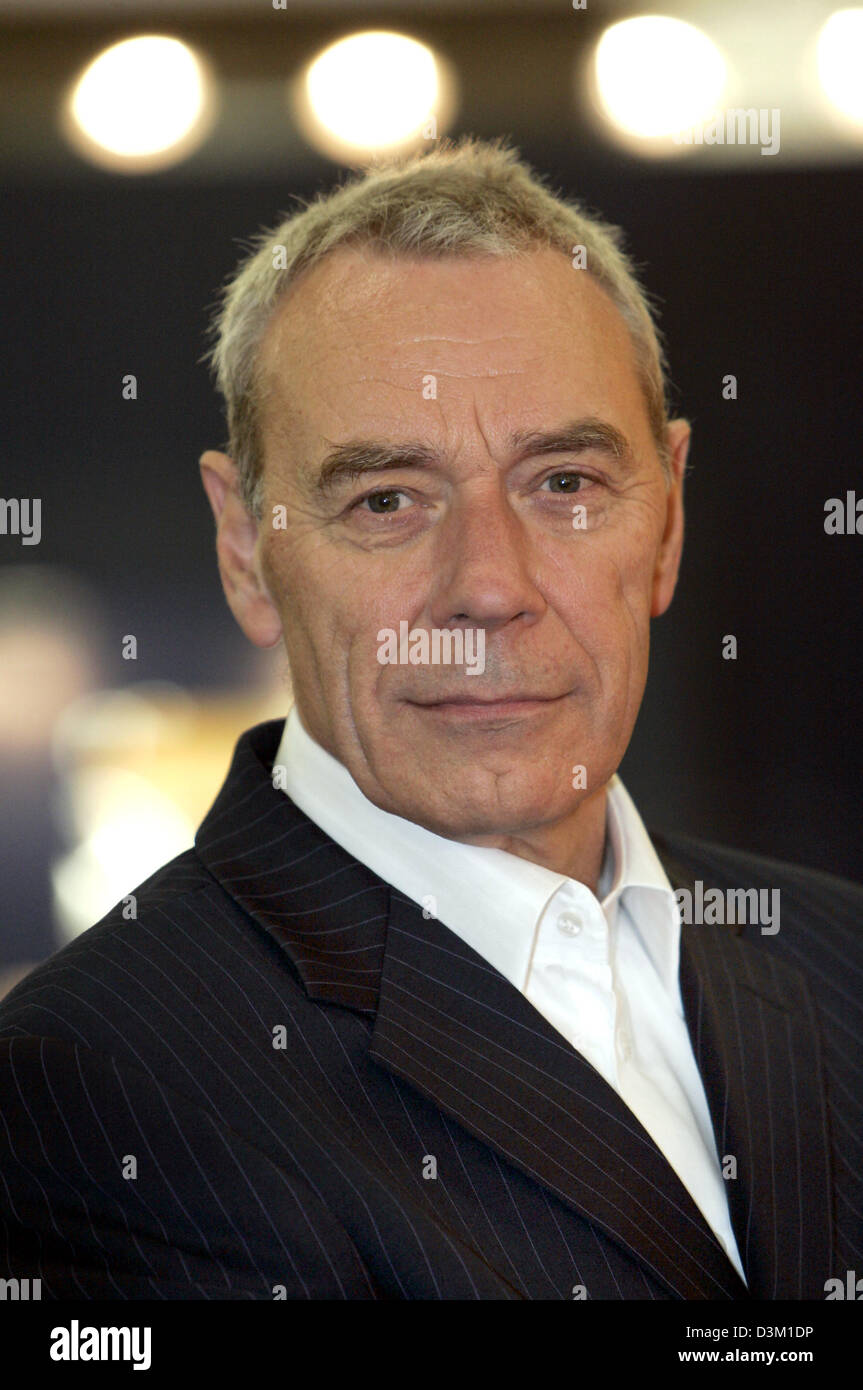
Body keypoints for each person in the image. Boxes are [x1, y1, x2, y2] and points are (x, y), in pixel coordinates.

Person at [0, 136, 859, 1300]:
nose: (489, 586)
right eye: (387, 499)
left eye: (563, 483)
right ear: (247, 549)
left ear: (663, 520)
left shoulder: (837, 955)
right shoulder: (90, 1086)